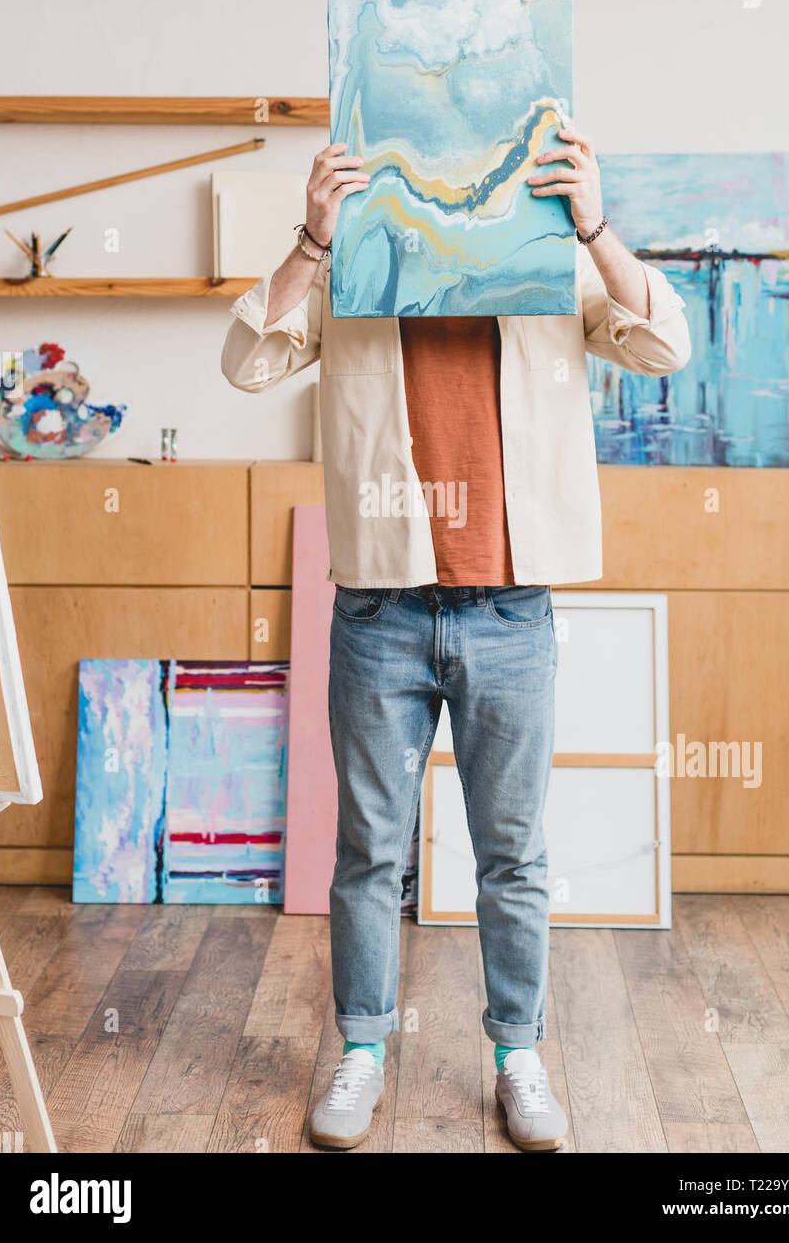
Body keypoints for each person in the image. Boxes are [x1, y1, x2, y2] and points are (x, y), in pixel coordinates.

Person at [221, 125, 691, 1152]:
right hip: (382, 610)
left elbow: (664, 344)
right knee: (368, 852)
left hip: (511, 610)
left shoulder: (549, 267)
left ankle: (519, 1056)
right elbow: (247, 360)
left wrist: (596, 227)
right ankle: (362, 1050)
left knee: (513, 856)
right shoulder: (358, 267)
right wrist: (311, 240)